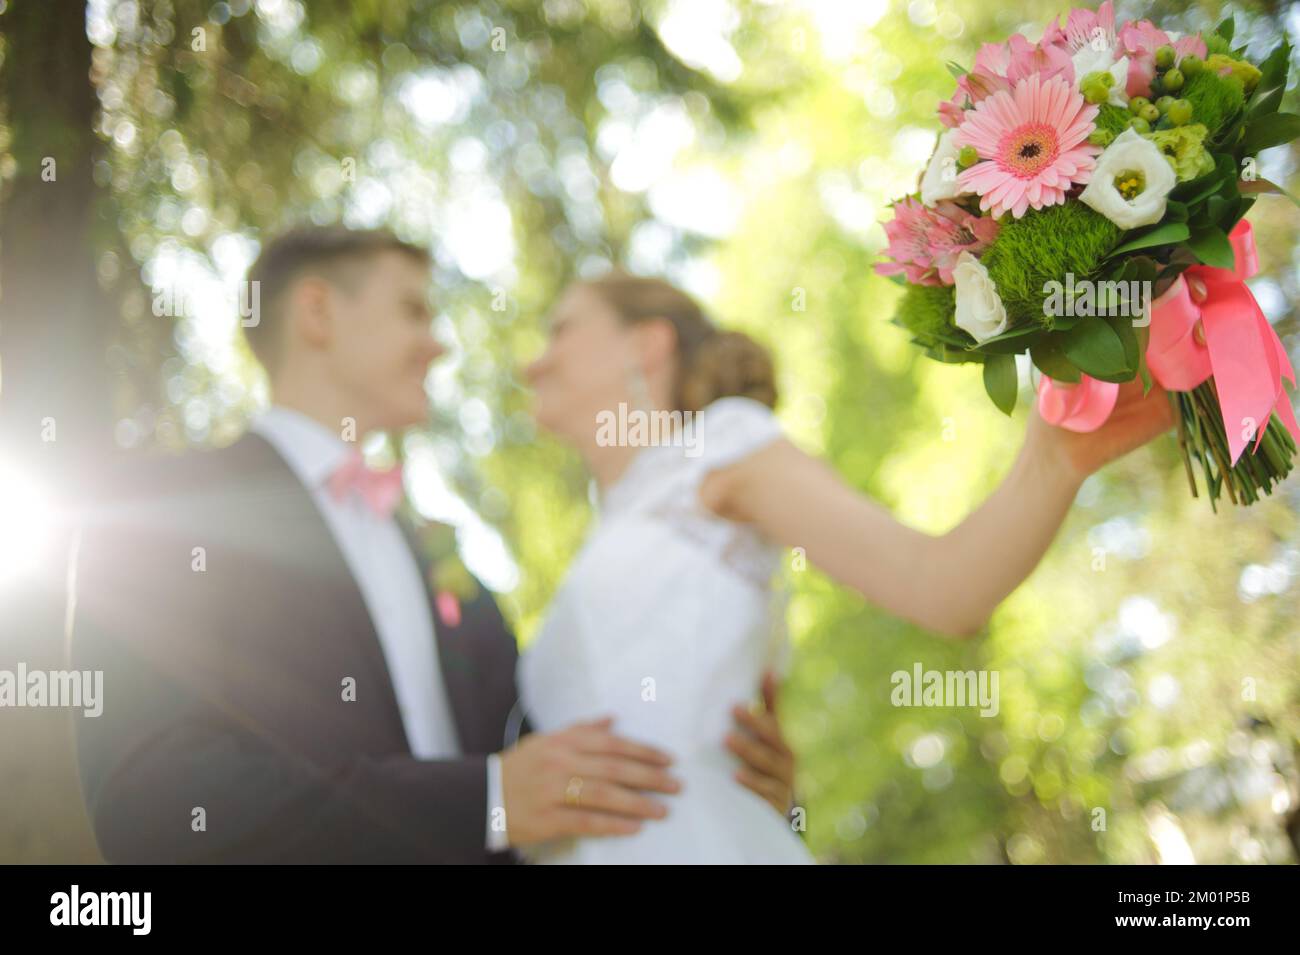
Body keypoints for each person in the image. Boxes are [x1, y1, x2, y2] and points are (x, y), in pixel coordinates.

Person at [70, 227, 795, 864]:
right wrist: (482, 799)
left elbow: (556, 763)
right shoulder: (157, 510)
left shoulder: (452, 572)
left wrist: (721, 771)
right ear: (318, 311)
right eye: (412, 309)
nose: (438, 342)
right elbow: (152, 799)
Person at [518, 270, 1175, 863]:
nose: (533, 364)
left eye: (561, 331)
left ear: (647, 344)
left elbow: (940, 584)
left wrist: (1055, 457)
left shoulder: (720, 448)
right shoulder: (611, 529)